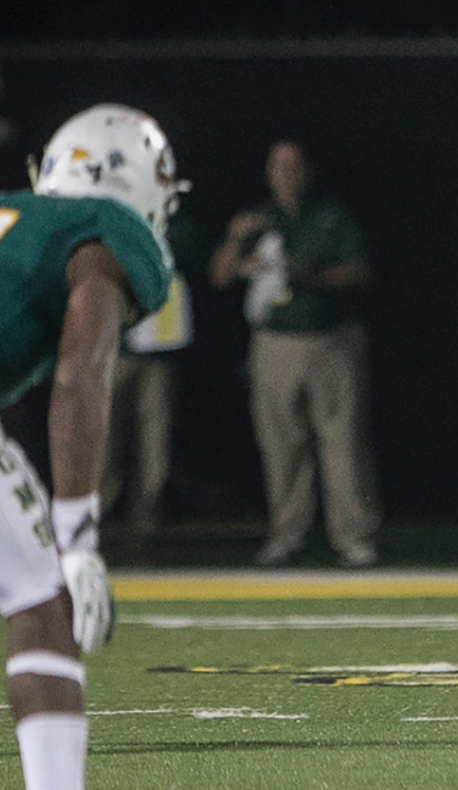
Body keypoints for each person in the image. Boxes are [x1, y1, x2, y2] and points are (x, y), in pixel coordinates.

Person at [1, 104, 184, 790]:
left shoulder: (14, 217)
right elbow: (81, 377)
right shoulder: (107, 232)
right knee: (42, 597)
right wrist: (77, 537)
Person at [209, 139, 380, 568]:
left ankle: (353, 536)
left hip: (330, 338)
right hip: (275, 343)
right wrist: (235, 238)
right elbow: (220, 276)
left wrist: (310, 277)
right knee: (281, 443)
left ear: (308, 170)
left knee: (341, 441)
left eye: (293, 166)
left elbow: (360, 270)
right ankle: (287, 534)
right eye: (276, 166)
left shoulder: (330, 216)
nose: (284, 174)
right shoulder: (257, 219)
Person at [100, 215, 198, 560]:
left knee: (155, 455)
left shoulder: (176, 227)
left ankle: (144, 539)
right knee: (104, 450)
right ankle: (91, 539)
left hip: (159, 352)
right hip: (115, 352)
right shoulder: (108, 220)